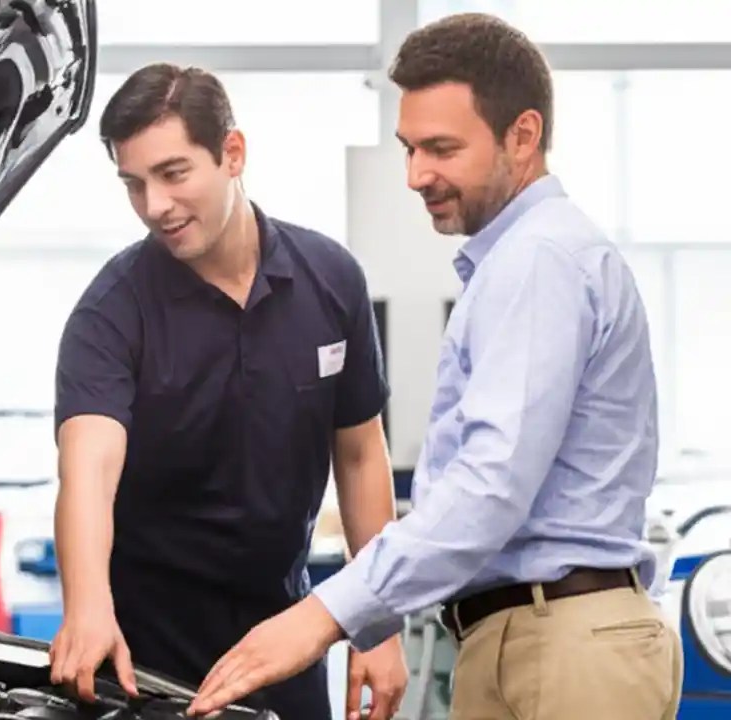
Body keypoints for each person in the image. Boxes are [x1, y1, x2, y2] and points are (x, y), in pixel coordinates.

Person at [186, 12, 684, 720]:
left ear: (524, 135)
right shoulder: (518, 261)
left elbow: (490, 486)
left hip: (566, 645)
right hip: (524, 632)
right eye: (409, 148)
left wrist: (323, 615)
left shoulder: (539, 260)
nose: (417, 175)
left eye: (442, 149)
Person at [47, 62, 408, 720]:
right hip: (144, 657)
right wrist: (87, 606)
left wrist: (375, 617)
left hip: (288, 638)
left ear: (232, 153)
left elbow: (359, 455)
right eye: (134, 184)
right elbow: (88, 470)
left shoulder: (331, 281)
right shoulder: (111, 311)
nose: (154, 205)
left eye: (173, 173)